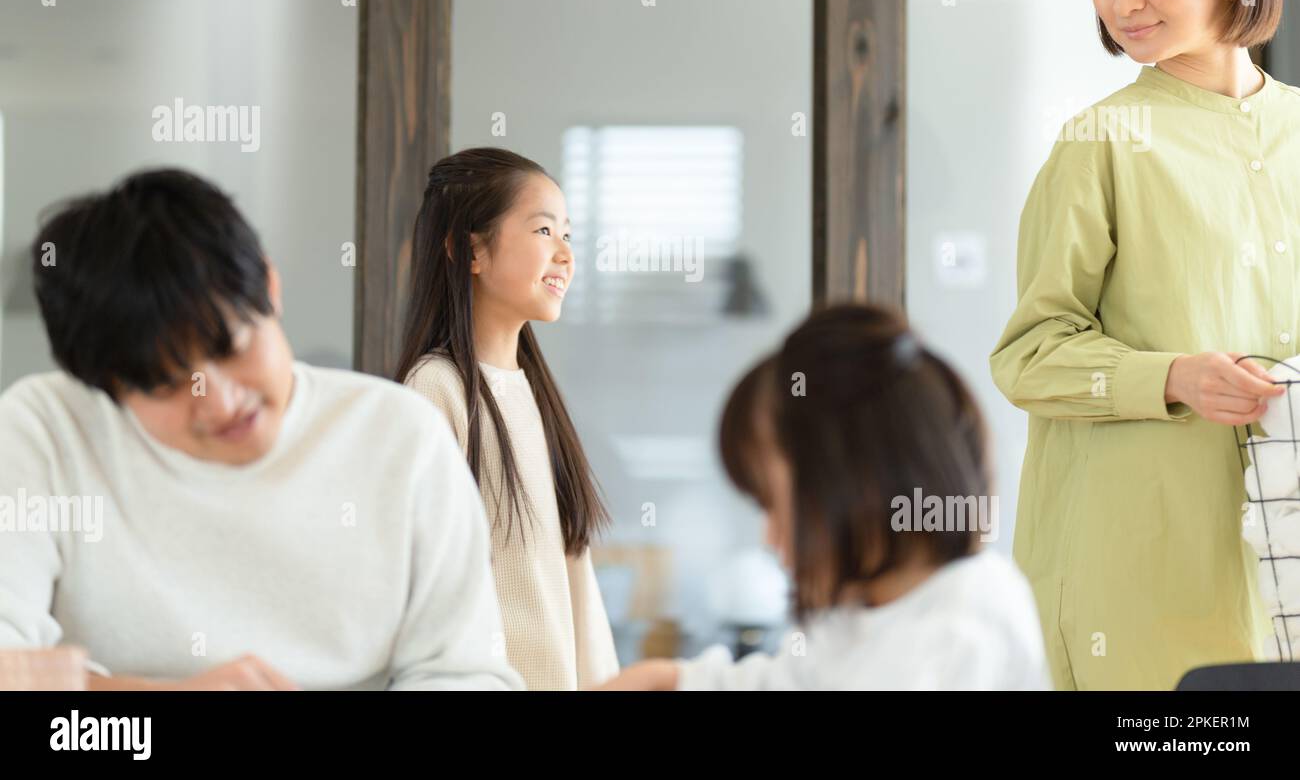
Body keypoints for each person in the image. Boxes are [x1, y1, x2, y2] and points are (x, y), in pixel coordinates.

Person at [0, 168, 521, 690]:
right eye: (166, 385)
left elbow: (465, 674)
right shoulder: (45, 432)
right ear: (106, 388)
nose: (221, 402)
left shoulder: (403, 439)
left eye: (232, 348)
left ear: (269, 288)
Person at [990, 0, 1300, 689]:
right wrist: (1172, 379)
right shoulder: (1098, 146)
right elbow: (1027, 356)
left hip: (1285, 579)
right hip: (1137, 585)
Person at [599, 303, 1049, 690]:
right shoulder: (863, 609)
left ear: (856, 483)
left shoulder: (965, 627)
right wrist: (678, 679)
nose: (769, 538)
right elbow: (789, 683)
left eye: (773, 505)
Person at [396, 148, 619, 690]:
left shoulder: (534, 393)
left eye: (568, 235)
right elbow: (431, 592)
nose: (565, 255)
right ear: (470, 250)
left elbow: (573, 582)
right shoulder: (435, 390)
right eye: (545, 231)